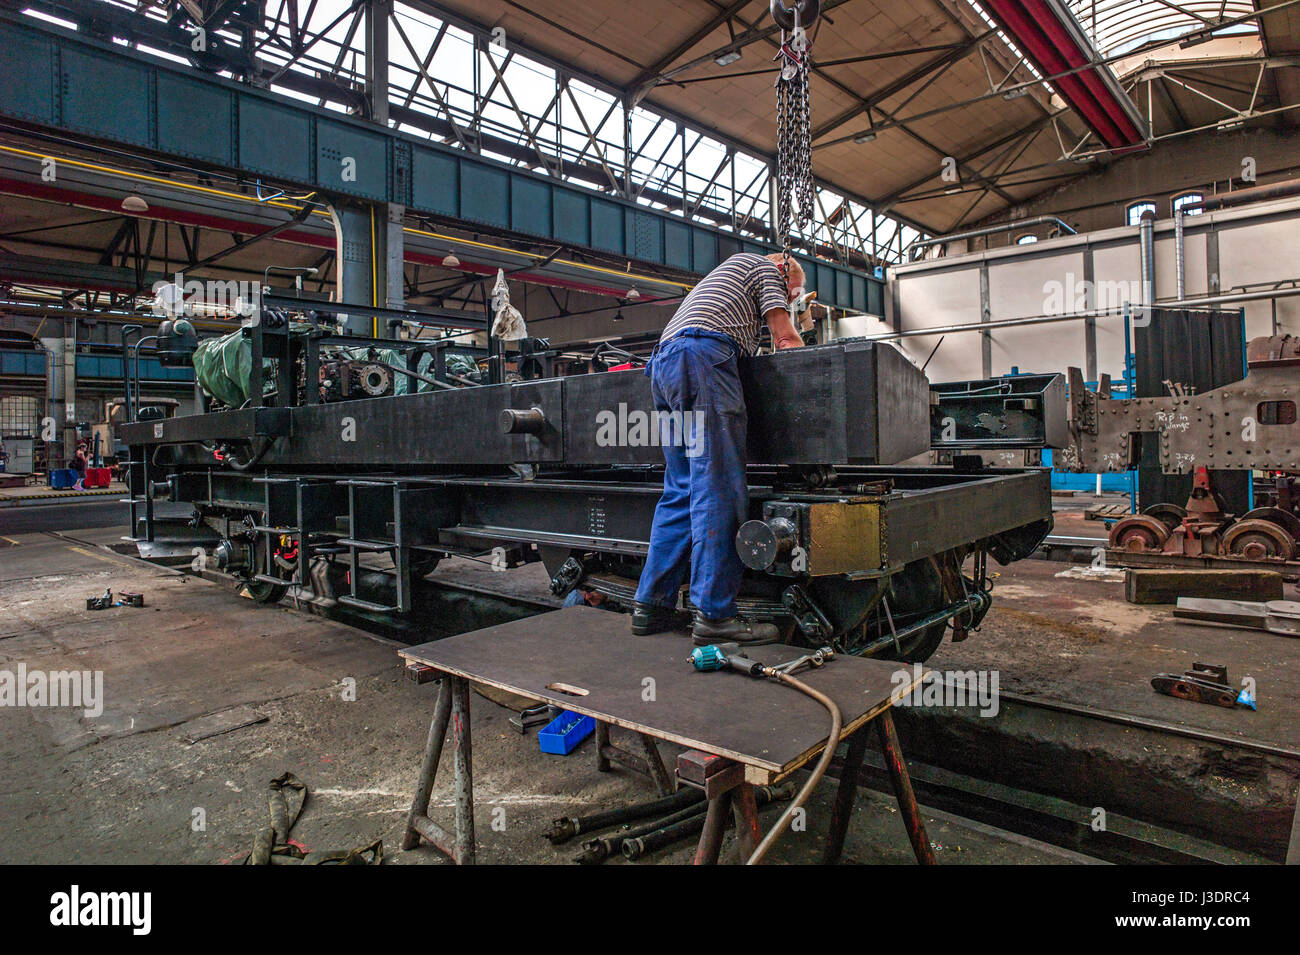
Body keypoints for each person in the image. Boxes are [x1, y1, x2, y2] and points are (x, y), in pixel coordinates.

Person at [631, 252, 808, 646]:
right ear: (784, 269)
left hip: (665, 365)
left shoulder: (725, 277)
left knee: (682, 489)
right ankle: (714, 615)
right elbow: (785, 339)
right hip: (703, 360)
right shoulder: (765, 268)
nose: (790, 301)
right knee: (719, 486)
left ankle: (650, 606)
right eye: (792, 294)